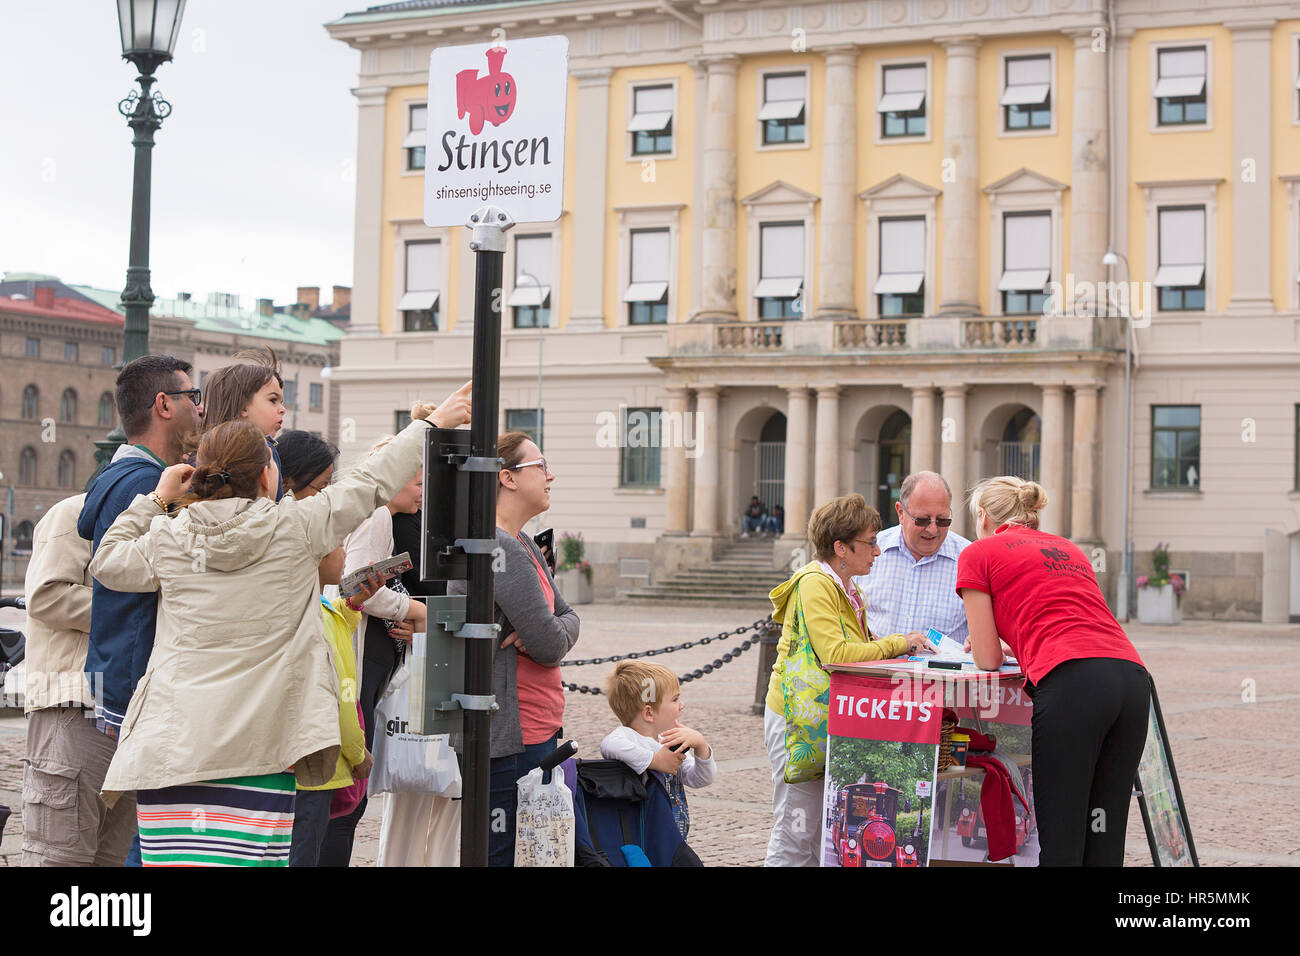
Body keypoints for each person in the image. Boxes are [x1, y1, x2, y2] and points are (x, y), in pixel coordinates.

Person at [90, 381, 472, 866]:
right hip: (265, 748)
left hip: (177, 748)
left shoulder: (169, 539)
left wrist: (158, 500)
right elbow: (372, 480)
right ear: (269, 475)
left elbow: (107, 562)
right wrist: (431, 424)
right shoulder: (296, 529)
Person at [956, 476, 1149, 866]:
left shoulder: (980, 553)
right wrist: (1024, 644)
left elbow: (988, 658)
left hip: (1074, 685)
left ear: (983, 516)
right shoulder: (1068, 548)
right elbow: (1071, 620)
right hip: (1131, 678)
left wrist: (994, 644)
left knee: (1062, 842)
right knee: (1104, 832)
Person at [77, 355, 204, 866]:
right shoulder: (143, 486)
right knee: (144, 837)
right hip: (138, 683)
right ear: (164, 404)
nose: (200, 409)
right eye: (193, 397)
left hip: (119, 677)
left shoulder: (121, 476)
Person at [763, 493, 934, 867]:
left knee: (814, 834)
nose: (877, 551)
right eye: (869, 543)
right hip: (798, 721)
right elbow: (835, 654)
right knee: (796, 830)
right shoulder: (815, 583)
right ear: (841, 547)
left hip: (825, 718)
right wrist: (898, 642)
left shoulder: (846, 587)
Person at [448, 431, 580, 867]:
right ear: (505, 477)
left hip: (536, 726)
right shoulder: (497, 546)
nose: (551, 476)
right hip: (510, 735)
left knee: (528, 849)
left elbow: (568, 619)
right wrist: (551, 631)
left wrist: (554, 630)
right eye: (540, 466)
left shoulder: (523, 543)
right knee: (502, 851)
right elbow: (547, 644)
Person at [320, 419, 430, 866]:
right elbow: (357, 587)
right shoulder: (379, 513)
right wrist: (417, 611)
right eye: (419, 481)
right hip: (357, 658)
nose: (423, 492)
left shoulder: (377, 513)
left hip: (359, 654)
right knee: (349, 796)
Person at [20, 494, 133, 866]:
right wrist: (133, 609)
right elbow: (46, 596)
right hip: (76, 705)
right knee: (58, 858)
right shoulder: (74, 512)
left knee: (110, 863)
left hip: (132, 719)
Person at [289, 552, 384, 867]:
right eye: (337, 543)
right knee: (304, 853)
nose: (345, 552)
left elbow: (337, 625)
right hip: (316, 767)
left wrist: (354, 604)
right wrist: (358, 753)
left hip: (303, 765)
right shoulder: (313, 617)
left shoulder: (311, 606)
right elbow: (341, 700)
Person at [601, 660, 715, 840]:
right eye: (675, 699)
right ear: (649, 713)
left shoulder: (668, 739)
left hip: (673, 836)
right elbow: (609, 744)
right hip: (643, 834)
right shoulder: (628, 737)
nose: (681, 705)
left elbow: (700, 779)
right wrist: (655, 760)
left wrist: (701, 746)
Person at [856, 471, 971, 646]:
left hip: (941, 673)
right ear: (901, 513)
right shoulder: (867, 552)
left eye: (942, 521)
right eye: (923, 520)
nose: (933, 530)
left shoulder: (970, 559)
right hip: (874, 670)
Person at [196, 346, 287, 500]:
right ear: (243, 405)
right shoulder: (264, 449)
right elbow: (274, 509)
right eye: (273, 400)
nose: (282, 409)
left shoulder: (200, 450)